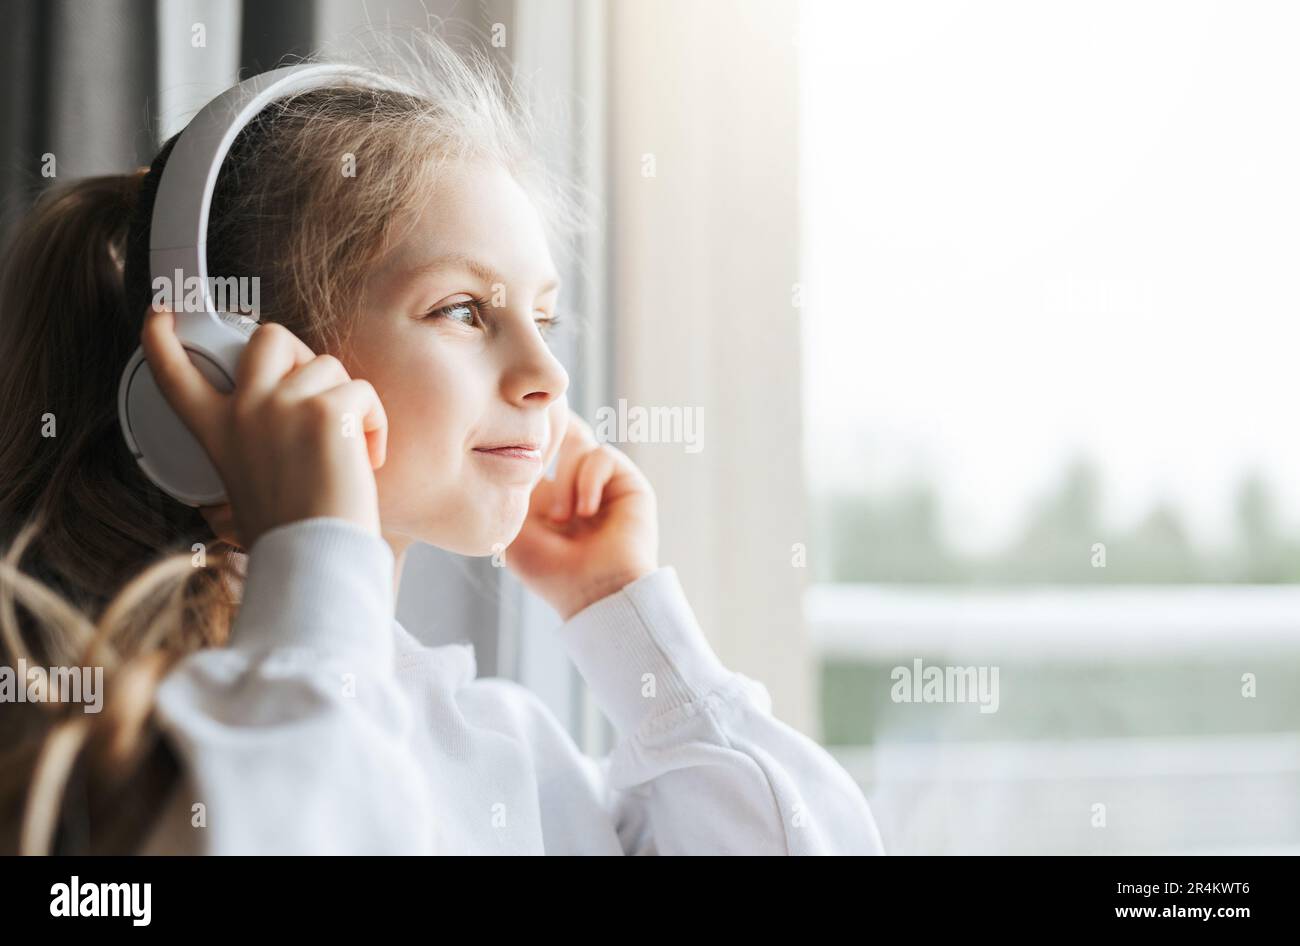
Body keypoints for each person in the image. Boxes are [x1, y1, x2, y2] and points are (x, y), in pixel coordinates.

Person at [0, 31, 884, 855]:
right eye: (463, 310)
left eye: (545, 316)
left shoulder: (510, 748)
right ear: (225, 367)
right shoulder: (132, 743)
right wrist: (315, 551)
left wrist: (625, 615)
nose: (548, 374)